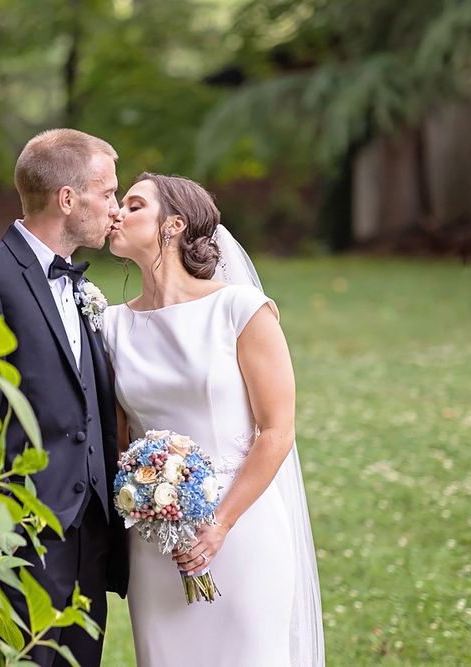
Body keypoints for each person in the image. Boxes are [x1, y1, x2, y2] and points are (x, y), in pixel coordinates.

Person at [102, 173, 324, 666]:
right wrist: (144, 497)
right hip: (154, 538)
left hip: (241, 527)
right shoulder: (112, 326)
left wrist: (219, 526)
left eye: (134, 205)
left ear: (173, 225)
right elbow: (117, 440)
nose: (117, 212)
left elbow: (277, 429)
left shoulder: (239, 310)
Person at [0, 128, 129, 666]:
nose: (115, 207)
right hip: (24, 537)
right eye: (107, 193)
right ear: (67, 199)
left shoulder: (81, 287)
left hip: (90, 531)